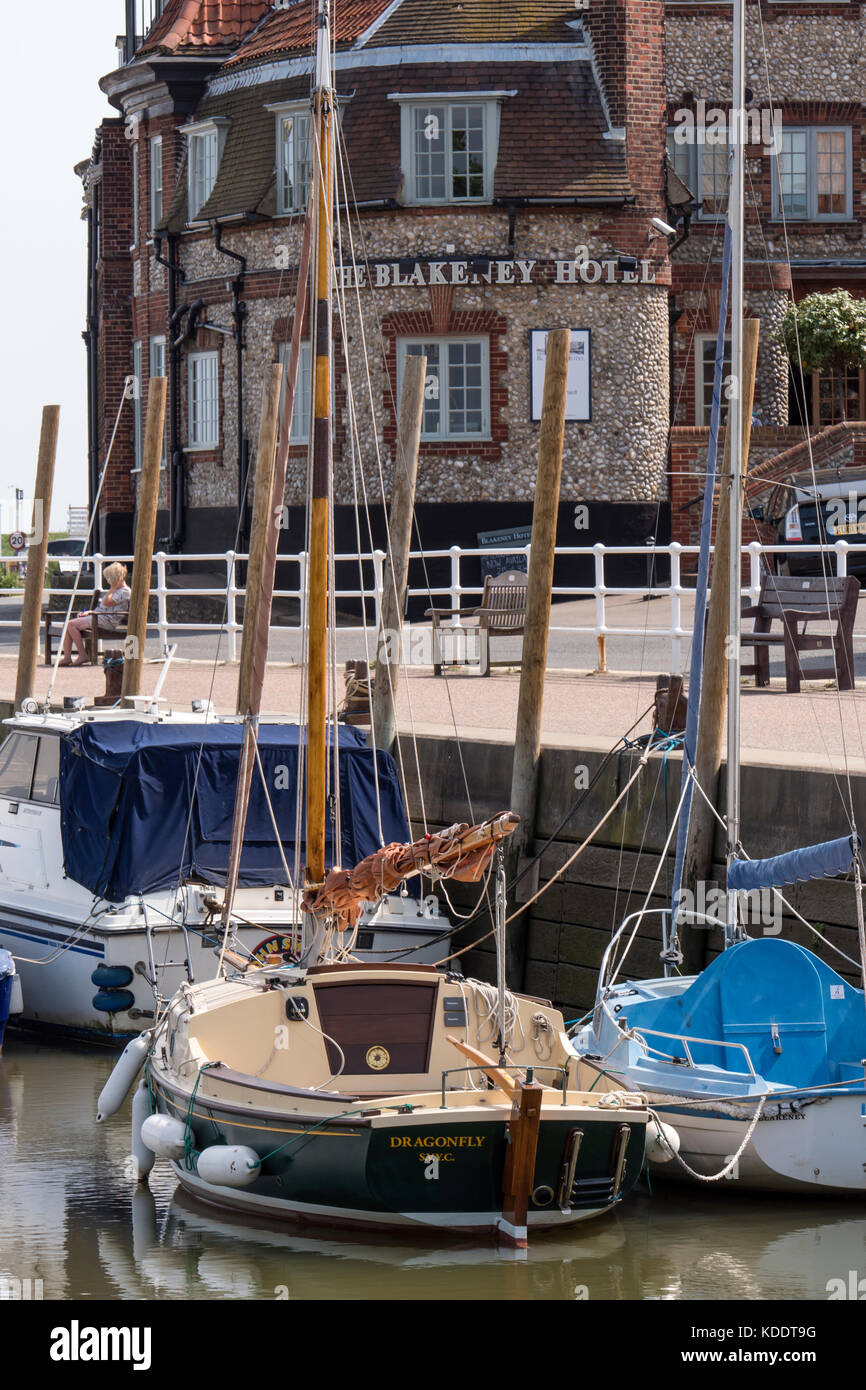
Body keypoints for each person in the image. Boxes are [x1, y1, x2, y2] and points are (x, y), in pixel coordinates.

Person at [59, 563, 130, 667]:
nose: (108, 581)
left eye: (110, 578)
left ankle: (83, 655)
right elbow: (104, 606)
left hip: (107, 620)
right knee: (66, 625)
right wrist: (90, 612)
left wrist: (112, 589)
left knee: (71, 625)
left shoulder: (124, 591)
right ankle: (67, 657)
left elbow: (106, 602)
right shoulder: (116, 591)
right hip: (100, 616)